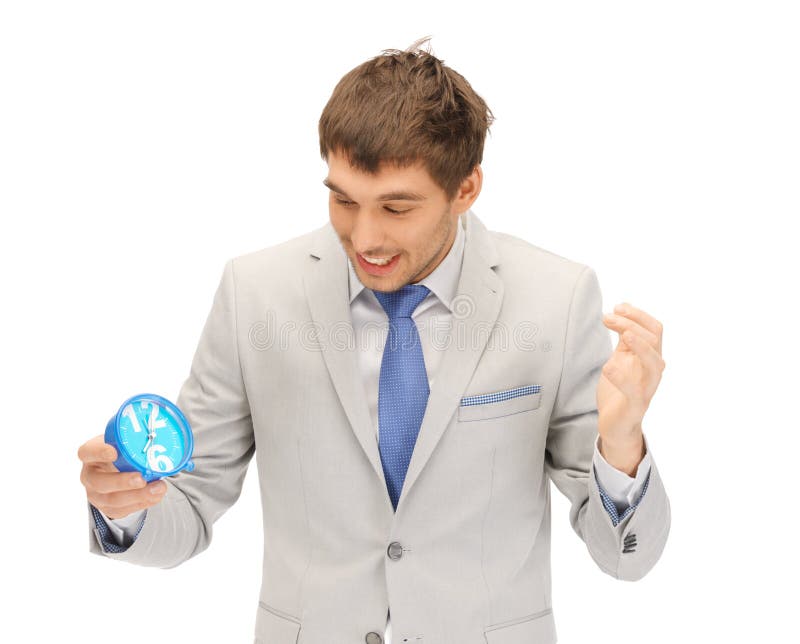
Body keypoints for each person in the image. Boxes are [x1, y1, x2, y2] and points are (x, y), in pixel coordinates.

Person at [78, 36, 670, 644]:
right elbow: (191, 503)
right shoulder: (253, 292)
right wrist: (126, 508)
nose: (363, 238)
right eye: (343, 199)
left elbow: (625, 557)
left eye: (396, 207)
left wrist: (622, 445)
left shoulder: (557, 299)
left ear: (465, 189)